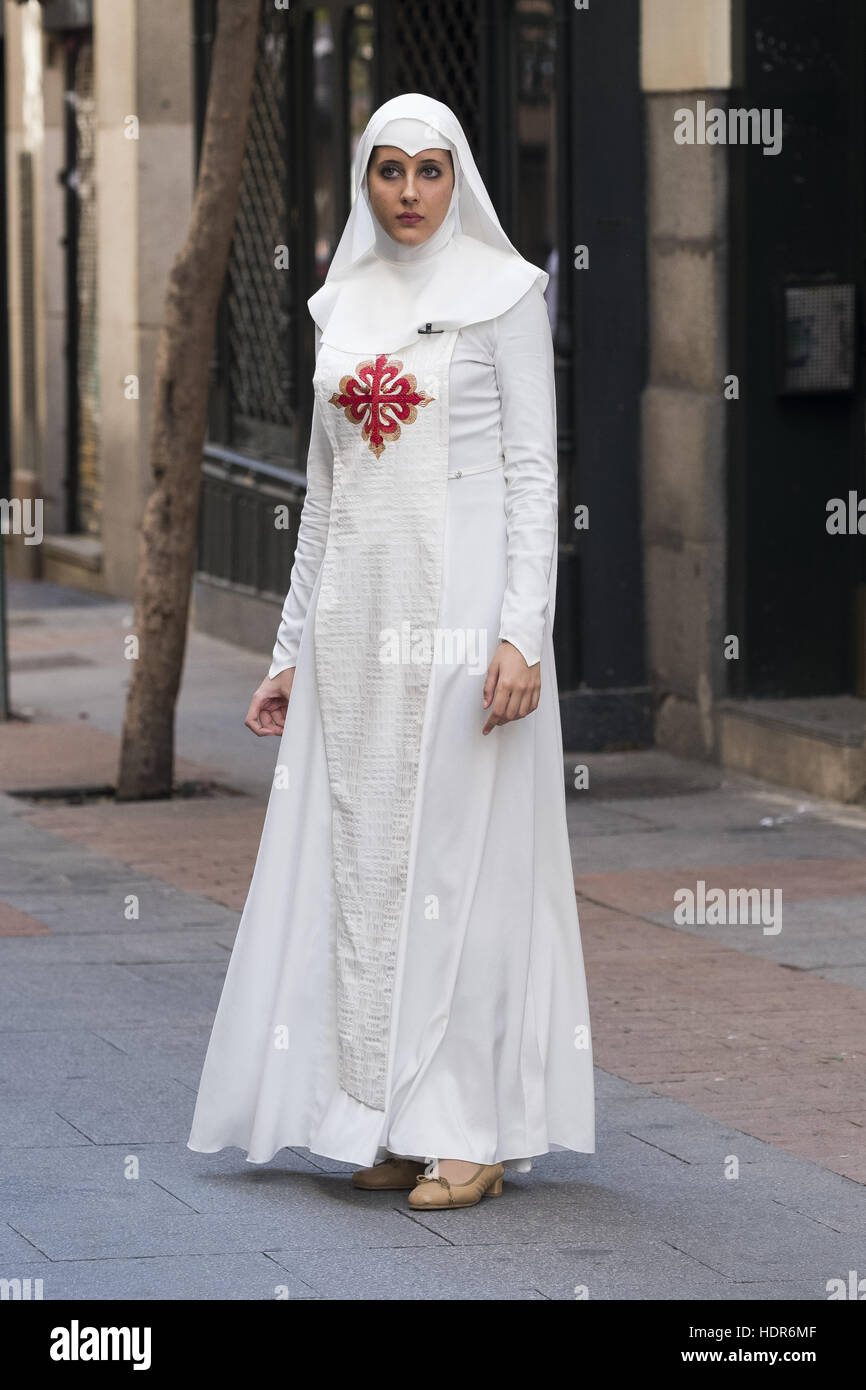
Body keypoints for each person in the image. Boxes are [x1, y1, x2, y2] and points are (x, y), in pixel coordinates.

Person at [187, 93, 595, 1212]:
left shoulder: (504, 296)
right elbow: (324, 500)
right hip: (355, 633)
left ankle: (470, 1125)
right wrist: (284, 650)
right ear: (363, 181)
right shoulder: (343, 306)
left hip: (466, 623)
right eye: (388, 171)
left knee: (458, 864)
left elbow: (529, 476)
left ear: (458, 177)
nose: (409, 192)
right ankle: (382, 1115)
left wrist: (523, 631)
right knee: (364, 861)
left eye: (429, 169)